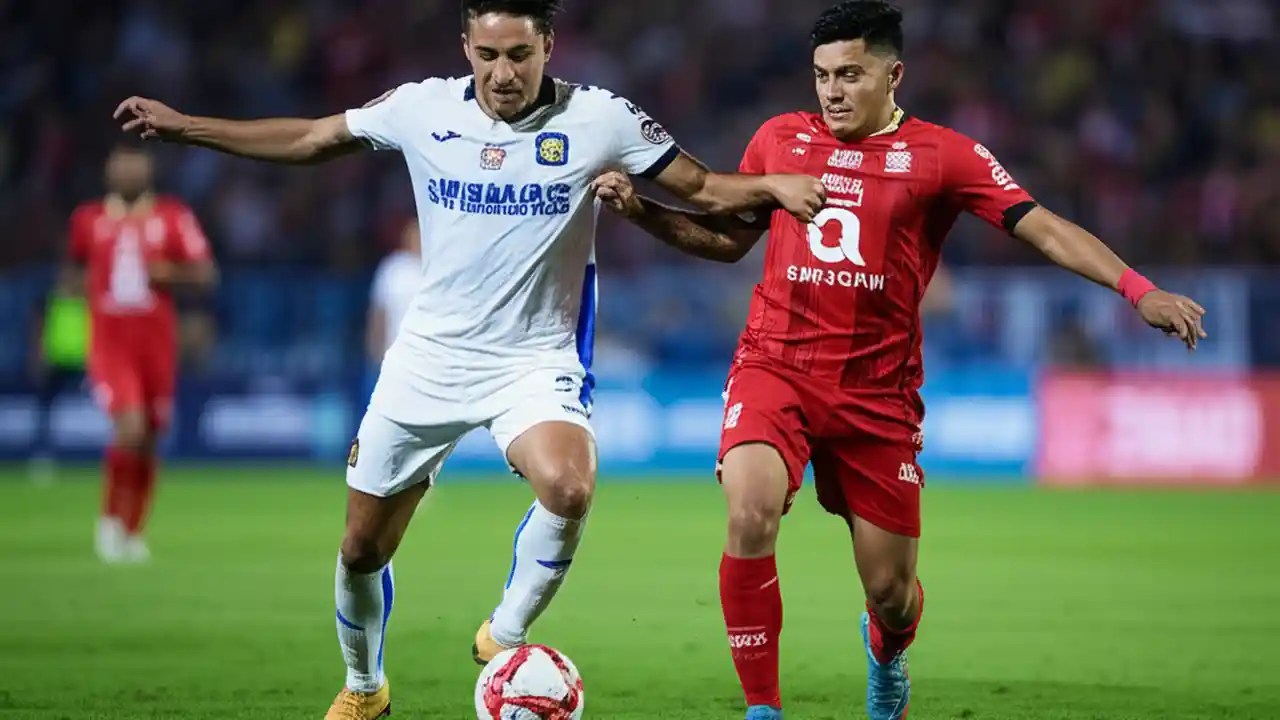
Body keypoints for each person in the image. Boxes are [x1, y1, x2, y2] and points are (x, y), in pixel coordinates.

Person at [114, 1, 826, 717]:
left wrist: (769, 188)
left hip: (534, 360)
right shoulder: (421, 109)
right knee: (361, 548)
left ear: (548, 45)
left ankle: (506, 631)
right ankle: (366, 688)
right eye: (488, 56)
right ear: (466, 48)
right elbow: (310, 137)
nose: (504, 72)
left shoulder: (600, 119)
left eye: (520, 53)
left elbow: (702, 188)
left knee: (570, 487)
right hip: (428, 359)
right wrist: (186, 128)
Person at [589, 3, 1207, 719]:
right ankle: (763, 709)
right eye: (822, 75)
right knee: (750, 510)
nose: (832, 91)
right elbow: (727, 242)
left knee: (891, 593)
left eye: (850, 74)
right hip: (775, 366)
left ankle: (887, 651)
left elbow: (1042, 228)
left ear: (894, 73)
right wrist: (641, 212)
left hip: (876, 396)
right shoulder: (779, 140)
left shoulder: (946, 156)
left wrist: (1139, 290)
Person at [68, 143, 218, 563]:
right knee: (130, 428)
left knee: (151, 437)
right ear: (108, 170)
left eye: (134, 163)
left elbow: (206, 273)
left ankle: (134, 530)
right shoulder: (88, 220)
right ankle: (109, 521)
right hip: (110, 342)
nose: (127, 171)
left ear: (147, 169)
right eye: (119, 164)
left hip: (156, 343)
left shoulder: (171, 216)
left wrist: (169, 274)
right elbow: (73, 273)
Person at [365, 219, 422, 403]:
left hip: (426, 361)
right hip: (393, 358)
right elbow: (379, 312)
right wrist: (374, 350)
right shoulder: (392, 267)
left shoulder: (438, 269)